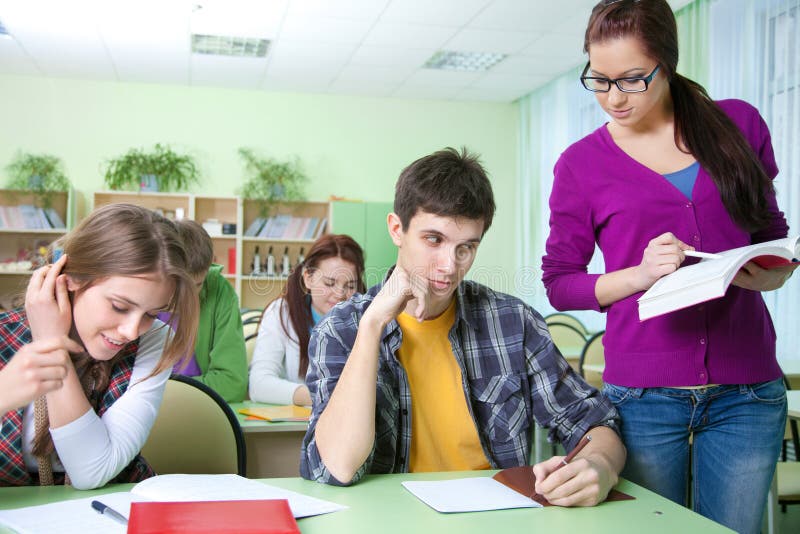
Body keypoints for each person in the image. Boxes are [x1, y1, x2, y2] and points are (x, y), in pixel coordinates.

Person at [541, 1, 797, 531]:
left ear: (667, 64)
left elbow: (771, 233)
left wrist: (776, 271)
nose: (613, 97)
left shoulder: (739, 125)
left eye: (632, 79)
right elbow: (560, 284)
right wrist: (640, 274)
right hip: (641, 399)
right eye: (600, 79)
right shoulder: (581, 165)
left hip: (747, 392)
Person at [300, 147, 625, 507]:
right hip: (389, 521)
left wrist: (601, 465)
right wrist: (373, 324)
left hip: (496, 519)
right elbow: (337, 468)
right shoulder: (342, 328)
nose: (449, 266)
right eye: (434, 240)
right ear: (397, 229)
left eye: (466, 247)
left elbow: (594, 421)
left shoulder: (513, 322)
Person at [0, 203, 199, 489]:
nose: (131, 331)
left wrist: (50, 344)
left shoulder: (155, 338)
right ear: (71, 279)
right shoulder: (5, 333)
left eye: (152, 313)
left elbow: (91, 470)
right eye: (119, 306)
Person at [249, 234, 366, 406]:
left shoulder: (366, 318)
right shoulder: (281, 313)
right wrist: (324, 397)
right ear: (308, 278)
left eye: (350, 286)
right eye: (329, 283)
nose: (340, 294)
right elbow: (259, 385)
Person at [170, 219, 247, 402]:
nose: (187, 297)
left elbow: (232, 384)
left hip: (201, 410)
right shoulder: (141, 293)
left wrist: (160, 391)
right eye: (179, 286)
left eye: (197, 285)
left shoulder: (220, 290)